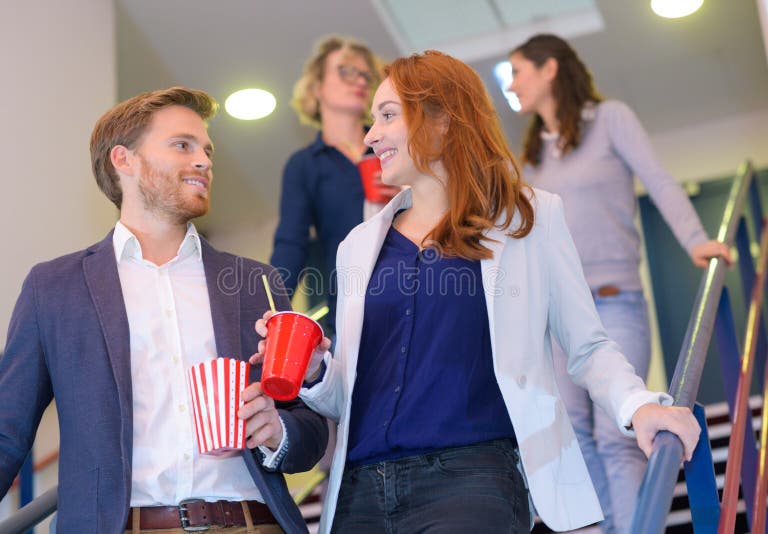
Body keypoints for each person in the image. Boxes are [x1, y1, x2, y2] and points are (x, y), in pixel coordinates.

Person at [251, 51, 704, 534]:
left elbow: (587, 345)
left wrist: (640, 405)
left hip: (471, 482)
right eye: (372, 120)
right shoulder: (357, 246)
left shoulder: (528, 219)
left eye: (387, 116)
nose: (370, 136)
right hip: (359, 493)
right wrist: (319, 368)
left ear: (442, 119)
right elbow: (349, 395)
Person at [0, 87, 328, 533]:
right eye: (183, 145)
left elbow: (309, 428)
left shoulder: (256, 283)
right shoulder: (54, 289)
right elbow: (1, 437)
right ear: (124, 160)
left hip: (254, 521)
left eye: (207, 150)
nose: (204, 161)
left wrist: (277, 430)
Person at [506, 33, 732, 533]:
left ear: (548, 70)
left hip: (614, 302)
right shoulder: (532, 159)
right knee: (576, 438)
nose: (512, 84)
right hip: (554, 320)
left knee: (616, 431)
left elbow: (659, 179)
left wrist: (696, 240)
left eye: (517, 71)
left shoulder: (611, 120)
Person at [270, 35, 396, 336]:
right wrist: (267, 307)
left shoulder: (392, 142)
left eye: (365, 74)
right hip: (349, 309)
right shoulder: (304, 165)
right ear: (316, 87)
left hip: (411, 291)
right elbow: (291, 245)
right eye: (345, 70)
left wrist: (408, 192)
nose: (360, 80)